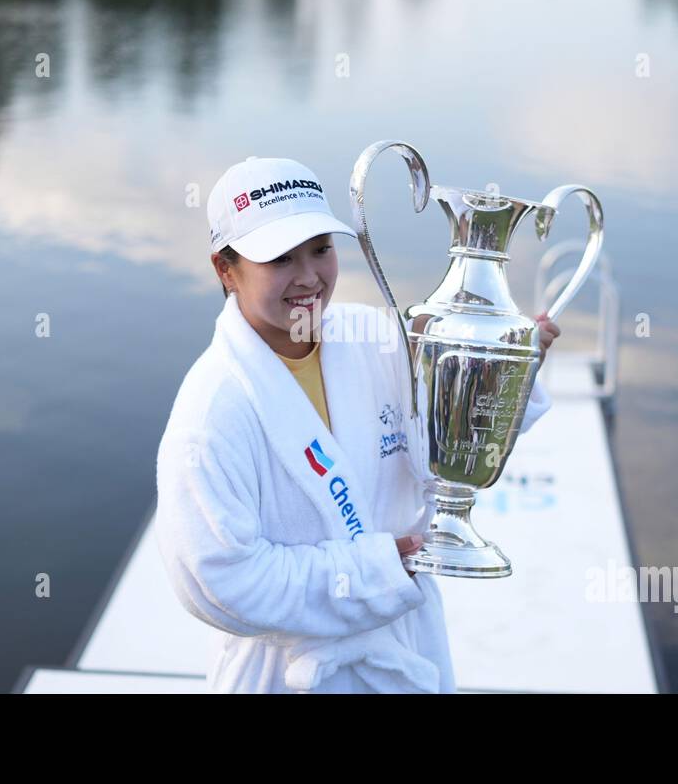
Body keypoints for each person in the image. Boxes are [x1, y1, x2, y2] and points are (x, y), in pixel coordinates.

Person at [153, 155, 559, 693]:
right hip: (286, 676)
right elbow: (220, 580)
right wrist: (373, 573)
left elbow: (450, 441)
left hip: (403, 651)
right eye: (280, 258)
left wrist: (500, 369)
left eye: (321, 248)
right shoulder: (212, 412)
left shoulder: (376, 338)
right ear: (225, 270)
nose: (308, 277)